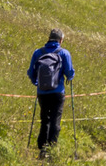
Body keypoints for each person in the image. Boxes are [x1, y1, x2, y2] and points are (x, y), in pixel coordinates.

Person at [27, 29, 75, 158]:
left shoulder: (38, 52)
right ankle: (51, 148)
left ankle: (42, 148)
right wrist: (70, 77)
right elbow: (69, 72)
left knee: (44, 119)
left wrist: (37, 83)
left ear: (49, 38)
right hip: (57, 92)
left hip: (42, 92)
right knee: (55, 120)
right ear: (61, 40)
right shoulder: (64, 53)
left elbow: (30, 72)